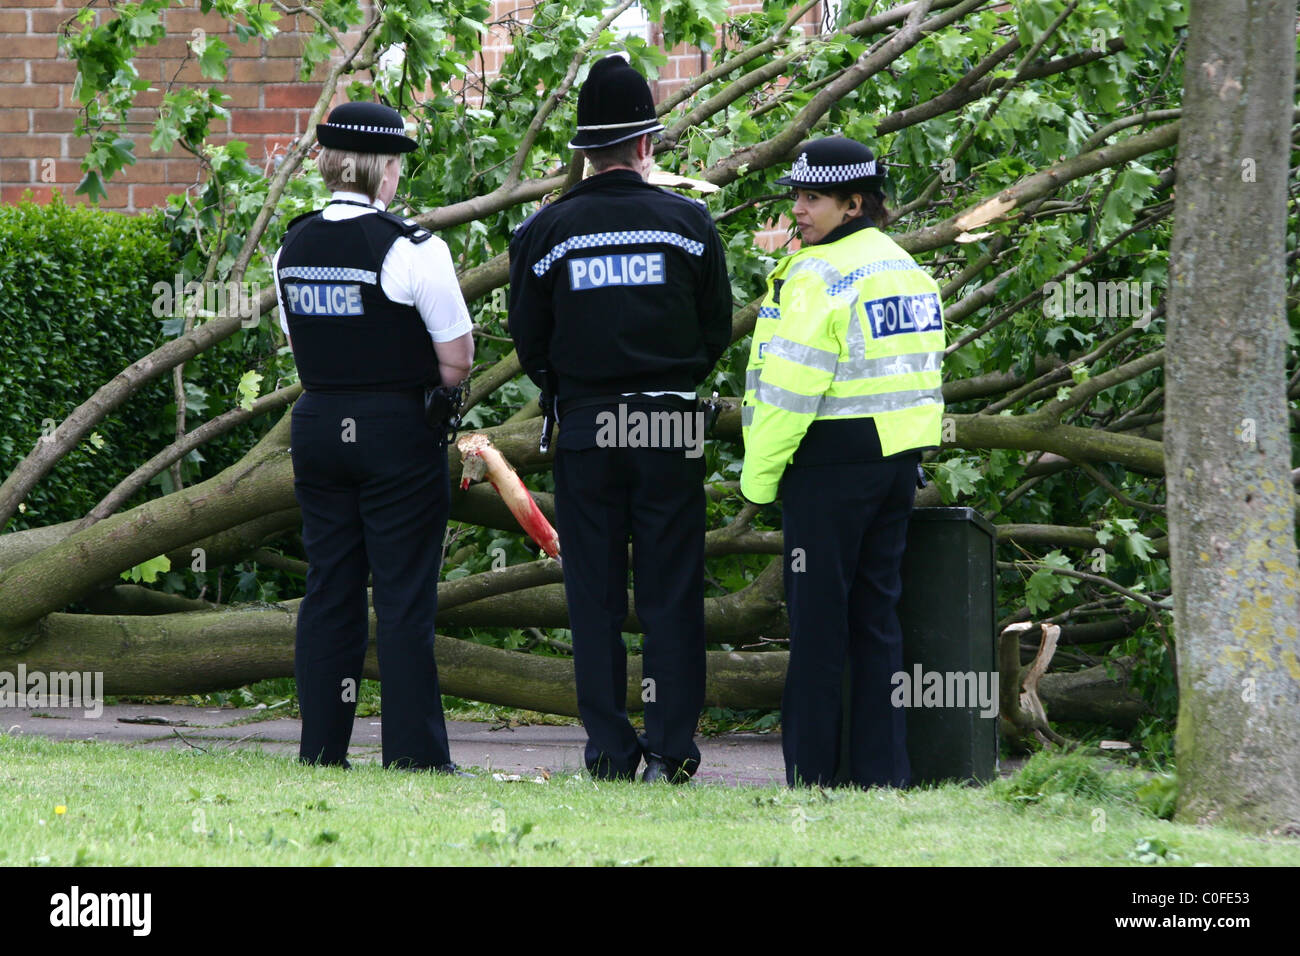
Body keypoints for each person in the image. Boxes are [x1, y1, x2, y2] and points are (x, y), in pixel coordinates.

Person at [508, 54, 732, 783]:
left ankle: (609, 748)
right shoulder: (691, 225)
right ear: (645, 144)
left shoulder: (545, 233)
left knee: (594, 596)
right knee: (672, 593)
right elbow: (713, 332)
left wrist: (577, 387)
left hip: (587, 424)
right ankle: (671, 749)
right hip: (670, 420)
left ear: (582, 149)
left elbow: (530, 345)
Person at [273, 100, 474, 772]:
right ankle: (414, 756)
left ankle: (322, 748)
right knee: (402, 596)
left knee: (330, 589)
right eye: (396, 166)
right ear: (384, 171)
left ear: (331, 165)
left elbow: (300, 346)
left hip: (320, 424)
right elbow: (456, 358)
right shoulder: (414, 248)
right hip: (395, 429)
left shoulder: (292, 244)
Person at [739, 136, 945, 789]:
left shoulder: (816, 274)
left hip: (826, 463)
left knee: (818, 628)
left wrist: (760, 477)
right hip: (895, 462)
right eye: (796, 194)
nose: (799, 209)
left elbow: (788, 391)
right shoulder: (908, 270)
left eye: (815, 198)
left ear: (855, 202)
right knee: (876, 623)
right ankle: (882, 777)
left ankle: (812, 777)